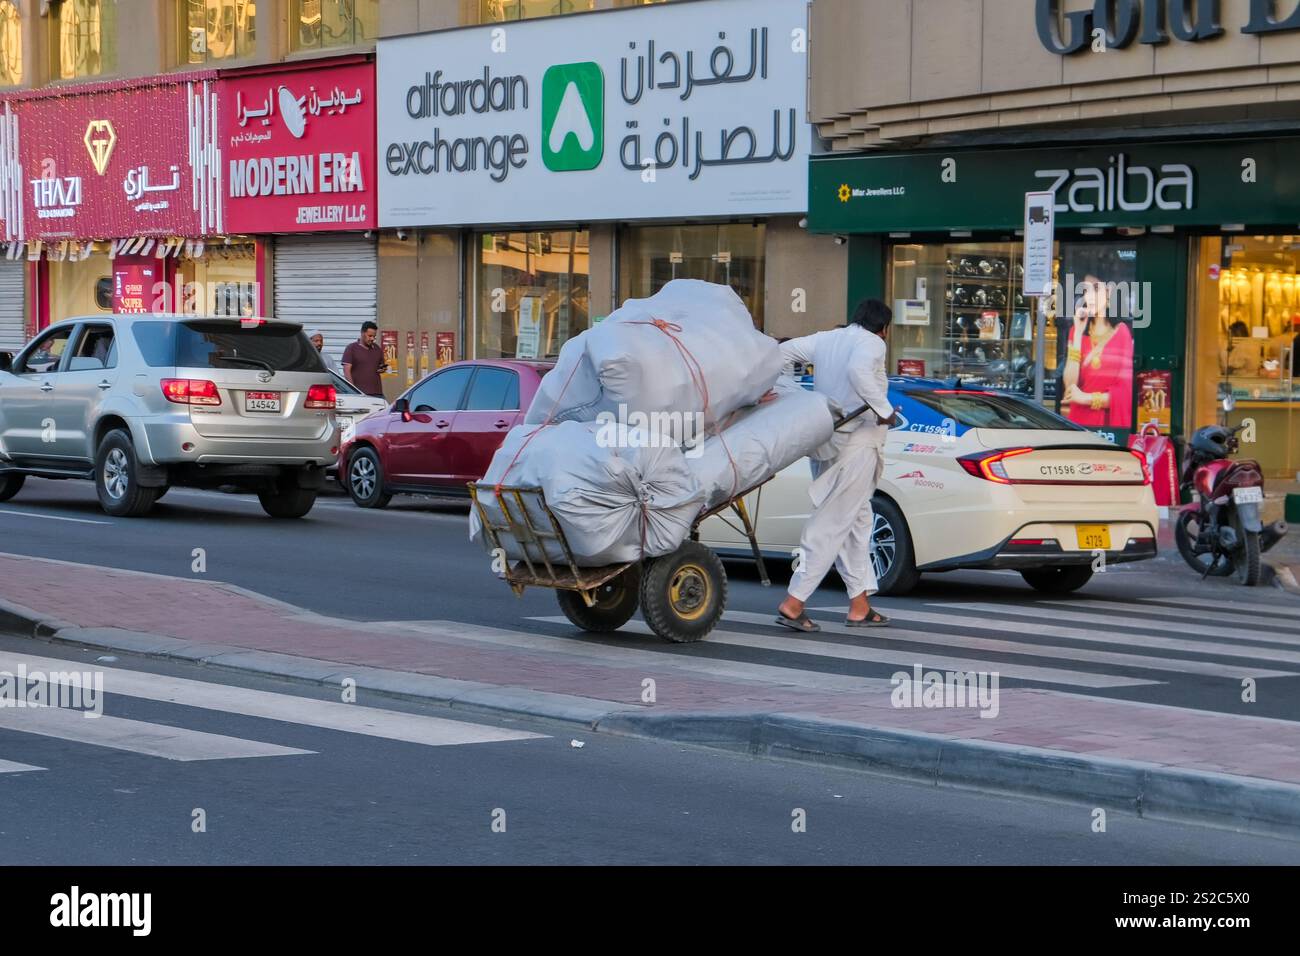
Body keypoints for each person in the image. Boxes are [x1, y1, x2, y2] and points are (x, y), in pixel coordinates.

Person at [774, 298, 898, 633]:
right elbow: (859, 372)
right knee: (831, 524)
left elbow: (782, 354)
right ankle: (794, 601)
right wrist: (884, 409)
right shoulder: (872, 343)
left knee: (857, 524)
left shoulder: (827, 339)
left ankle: (859, 604)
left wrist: (791, 394)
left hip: (828, 439)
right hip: (857, 444)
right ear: (884, 328)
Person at [1061, 274, 1134, 428]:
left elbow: (1125, 393)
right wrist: (1079, 334)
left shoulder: (1121, 333)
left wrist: (1086, 398)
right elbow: (1070, 385)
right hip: (1079, 421)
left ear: (1109, 292)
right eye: (1086, 291)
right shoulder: (1077, 330)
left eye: (1095, 289)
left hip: (1107, 423)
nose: (1090, 297)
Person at [342, 321, 388, 398]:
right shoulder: (351, 348)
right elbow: (346, 371)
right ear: (362, 333)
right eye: (370, 336)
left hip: (377, 393)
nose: (372, 339)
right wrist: (353, 391)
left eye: (374, 336)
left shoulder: (377, 349)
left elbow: (382, 366)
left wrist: (383, 368)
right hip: (360, 393)